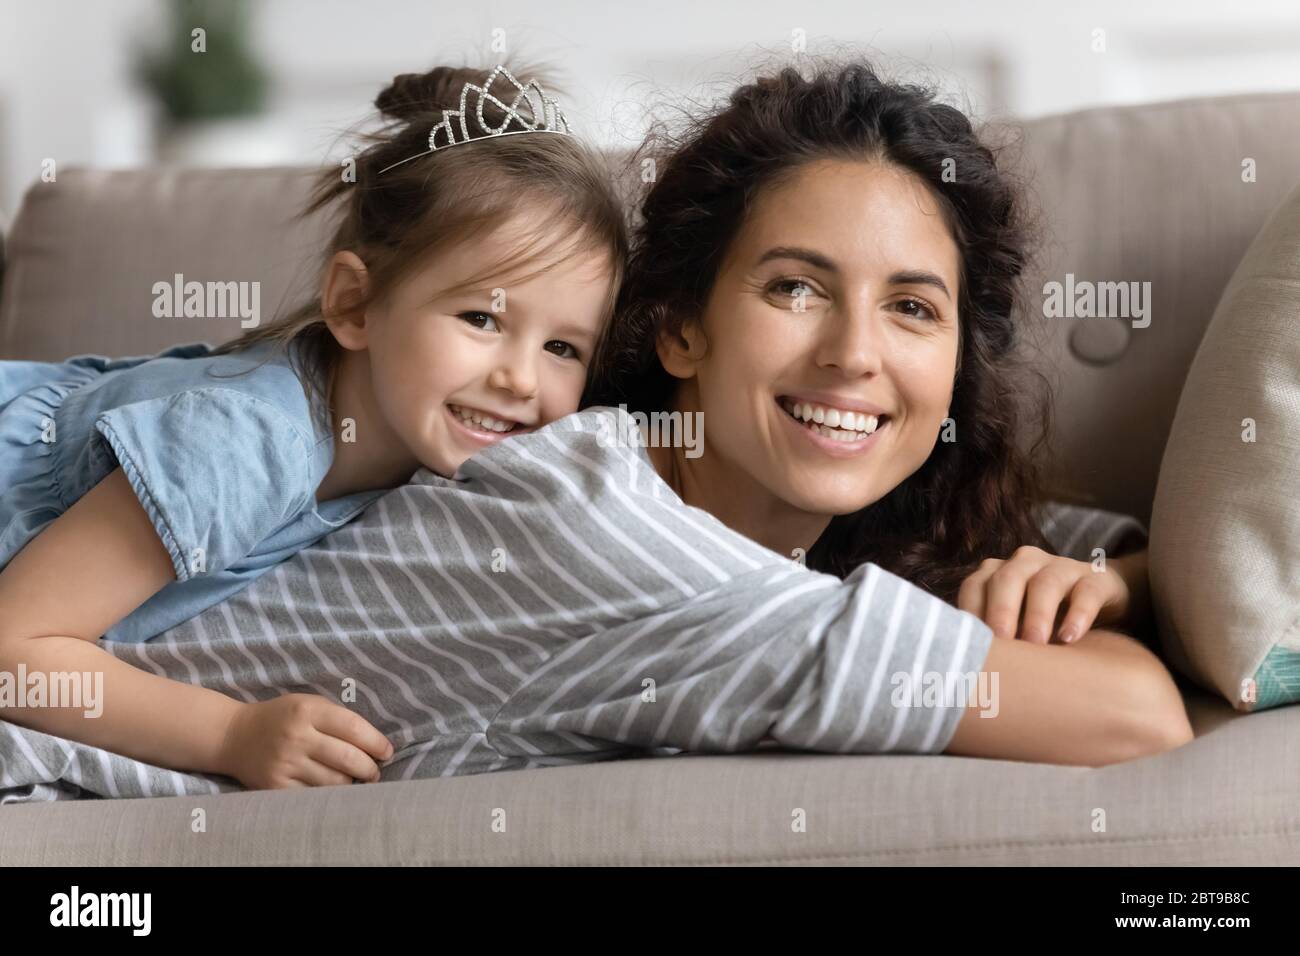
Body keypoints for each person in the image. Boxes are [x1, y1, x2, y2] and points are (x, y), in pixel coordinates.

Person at [0, 64, 626, 782]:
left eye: (562, 348)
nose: (522, 378)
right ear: (356, 306)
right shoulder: (244, 445)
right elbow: (15, 645)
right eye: (481, 318)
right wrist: (229, 733)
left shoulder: (425, 457)